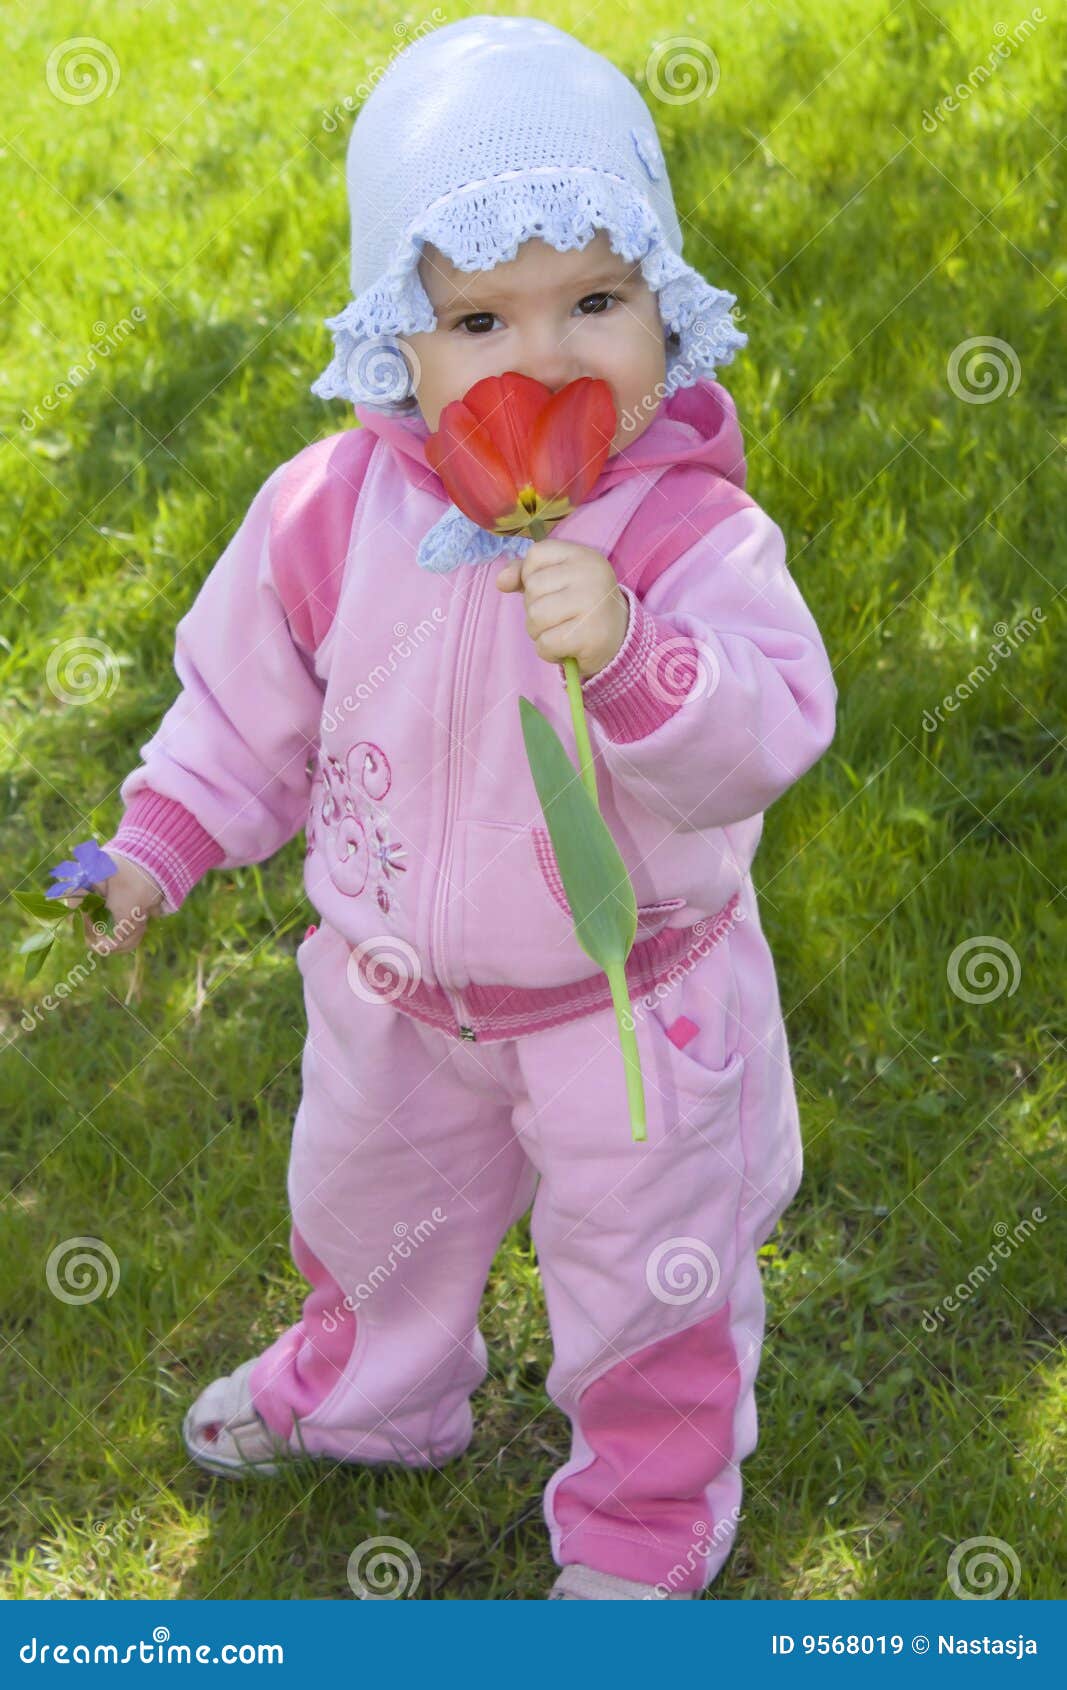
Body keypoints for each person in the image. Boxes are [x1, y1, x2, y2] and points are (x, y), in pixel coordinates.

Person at [66, 15, 838, 1599]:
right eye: (481, 315)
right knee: (365, 1216)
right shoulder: (329, 512)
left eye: (598, 302)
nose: (548, 358)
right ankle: (372, 1393)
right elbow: (242, 704)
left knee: (648, 1284)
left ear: (664, 313)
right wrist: (156, 841)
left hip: (632, 1002)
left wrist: (632, 655)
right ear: (394, 348)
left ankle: (641, 1521)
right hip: (396, 993)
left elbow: (764, 727)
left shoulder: (691, 531)